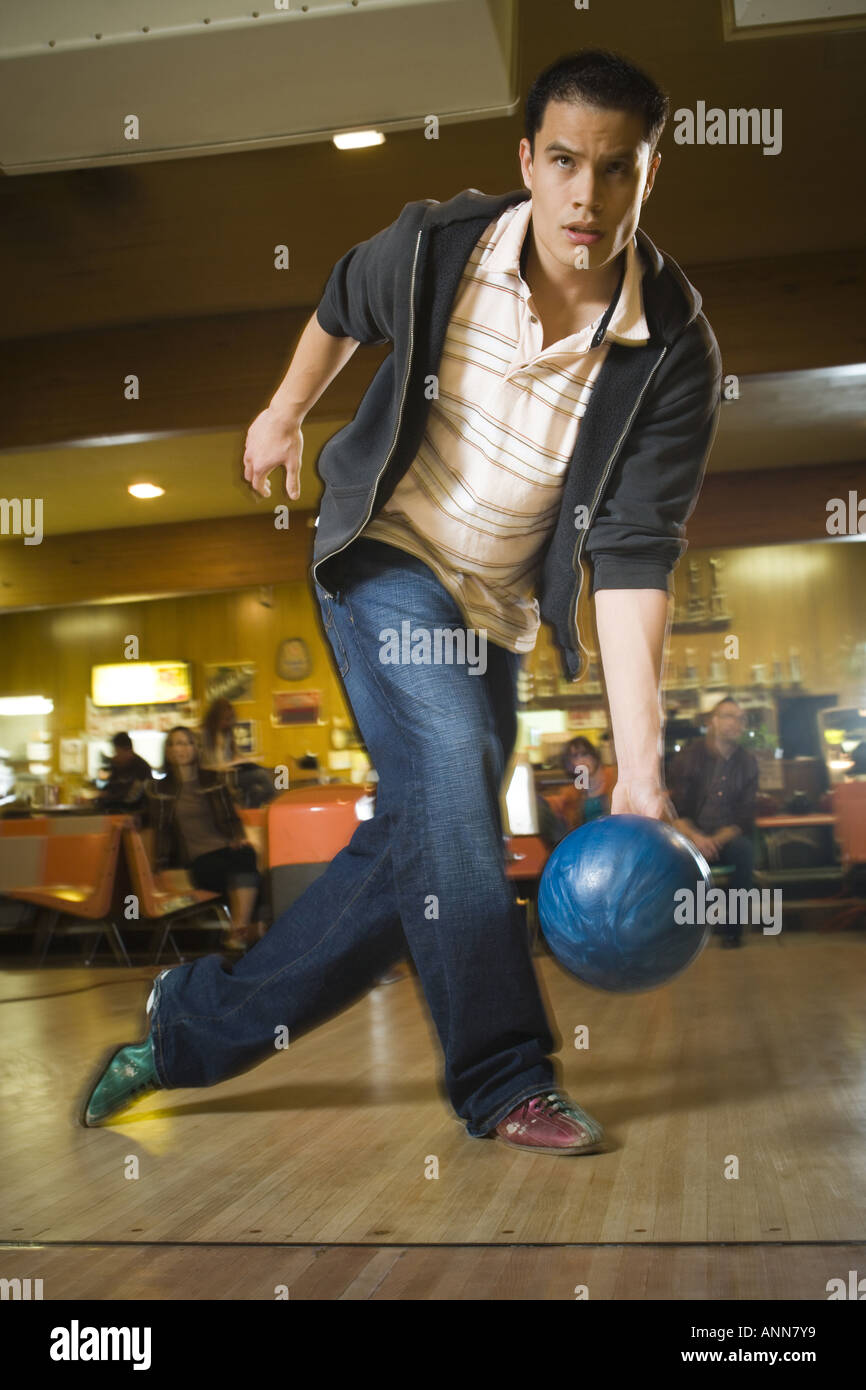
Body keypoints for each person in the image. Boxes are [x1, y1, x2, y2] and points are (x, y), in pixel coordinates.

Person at [82, 49, 722, 1153]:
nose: (585, 193)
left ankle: (188, 1031)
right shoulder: (436, 247)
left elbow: (628, 560)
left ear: (646, 177)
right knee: (449, 785)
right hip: (383, 558)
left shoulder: (670, 349)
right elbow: (339, 302)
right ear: (527, 161)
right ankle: (504, 1077)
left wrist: (643, 766)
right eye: (563, 160)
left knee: (426, 830)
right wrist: (283, 412)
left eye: (614, 169)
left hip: (493, 614)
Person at [143, 726, 265, 951]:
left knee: (249, 864)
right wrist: (156, 866)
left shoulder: (213, 780)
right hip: (195, 863)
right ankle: (244, 932)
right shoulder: (158, 788)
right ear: (167, 751)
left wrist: (238, 836)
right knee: (251, 874)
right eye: (174, 744)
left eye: (186, 743)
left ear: (195, 748)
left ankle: (238, 930)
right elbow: (154, 825)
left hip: (227, 854)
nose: (180, 749)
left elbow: (231, 816)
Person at [667, 697, 759, 948]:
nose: (735, 723)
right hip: (690, 833)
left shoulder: (748, 763)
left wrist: (715, 841)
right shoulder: (689, 757)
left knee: (745, 851)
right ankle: (688, 929)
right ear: (713, 722)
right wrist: (697, 838)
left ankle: (733, 931)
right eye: (728, 716)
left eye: (740, 718)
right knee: (675, 854)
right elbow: (676, 810)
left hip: (725, 837)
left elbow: (745, 815)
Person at [200, 698, 276, 808]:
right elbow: (204, 765)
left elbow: (235, 756)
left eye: (229, 719)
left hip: (230, 774)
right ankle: (271, 805)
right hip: (217, 777)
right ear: (215, 718)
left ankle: (249, 811)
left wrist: (249, 760)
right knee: (262, 776)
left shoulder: (226, 735)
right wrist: (226, 765)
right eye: (225, 719)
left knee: (263, 778)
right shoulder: (204, 736)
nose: (227, 722)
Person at [542, 736, 616, 842]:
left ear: (594, 755)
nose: (581, 761)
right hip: (590, 844)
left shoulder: (615, 777)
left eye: (584, 754)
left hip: (617, 837)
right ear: (570, 766)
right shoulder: (573, 794)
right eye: (574, 757)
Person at [94, 732, 153, 811]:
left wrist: (107, 796)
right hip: (116, 815)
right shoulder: (119, 766)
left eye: (116, 752)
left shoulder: (142, 768)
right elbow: (110, 787)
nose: (114, 756)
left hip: (135, 816)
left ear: (127, 750)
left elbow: (132, 797)